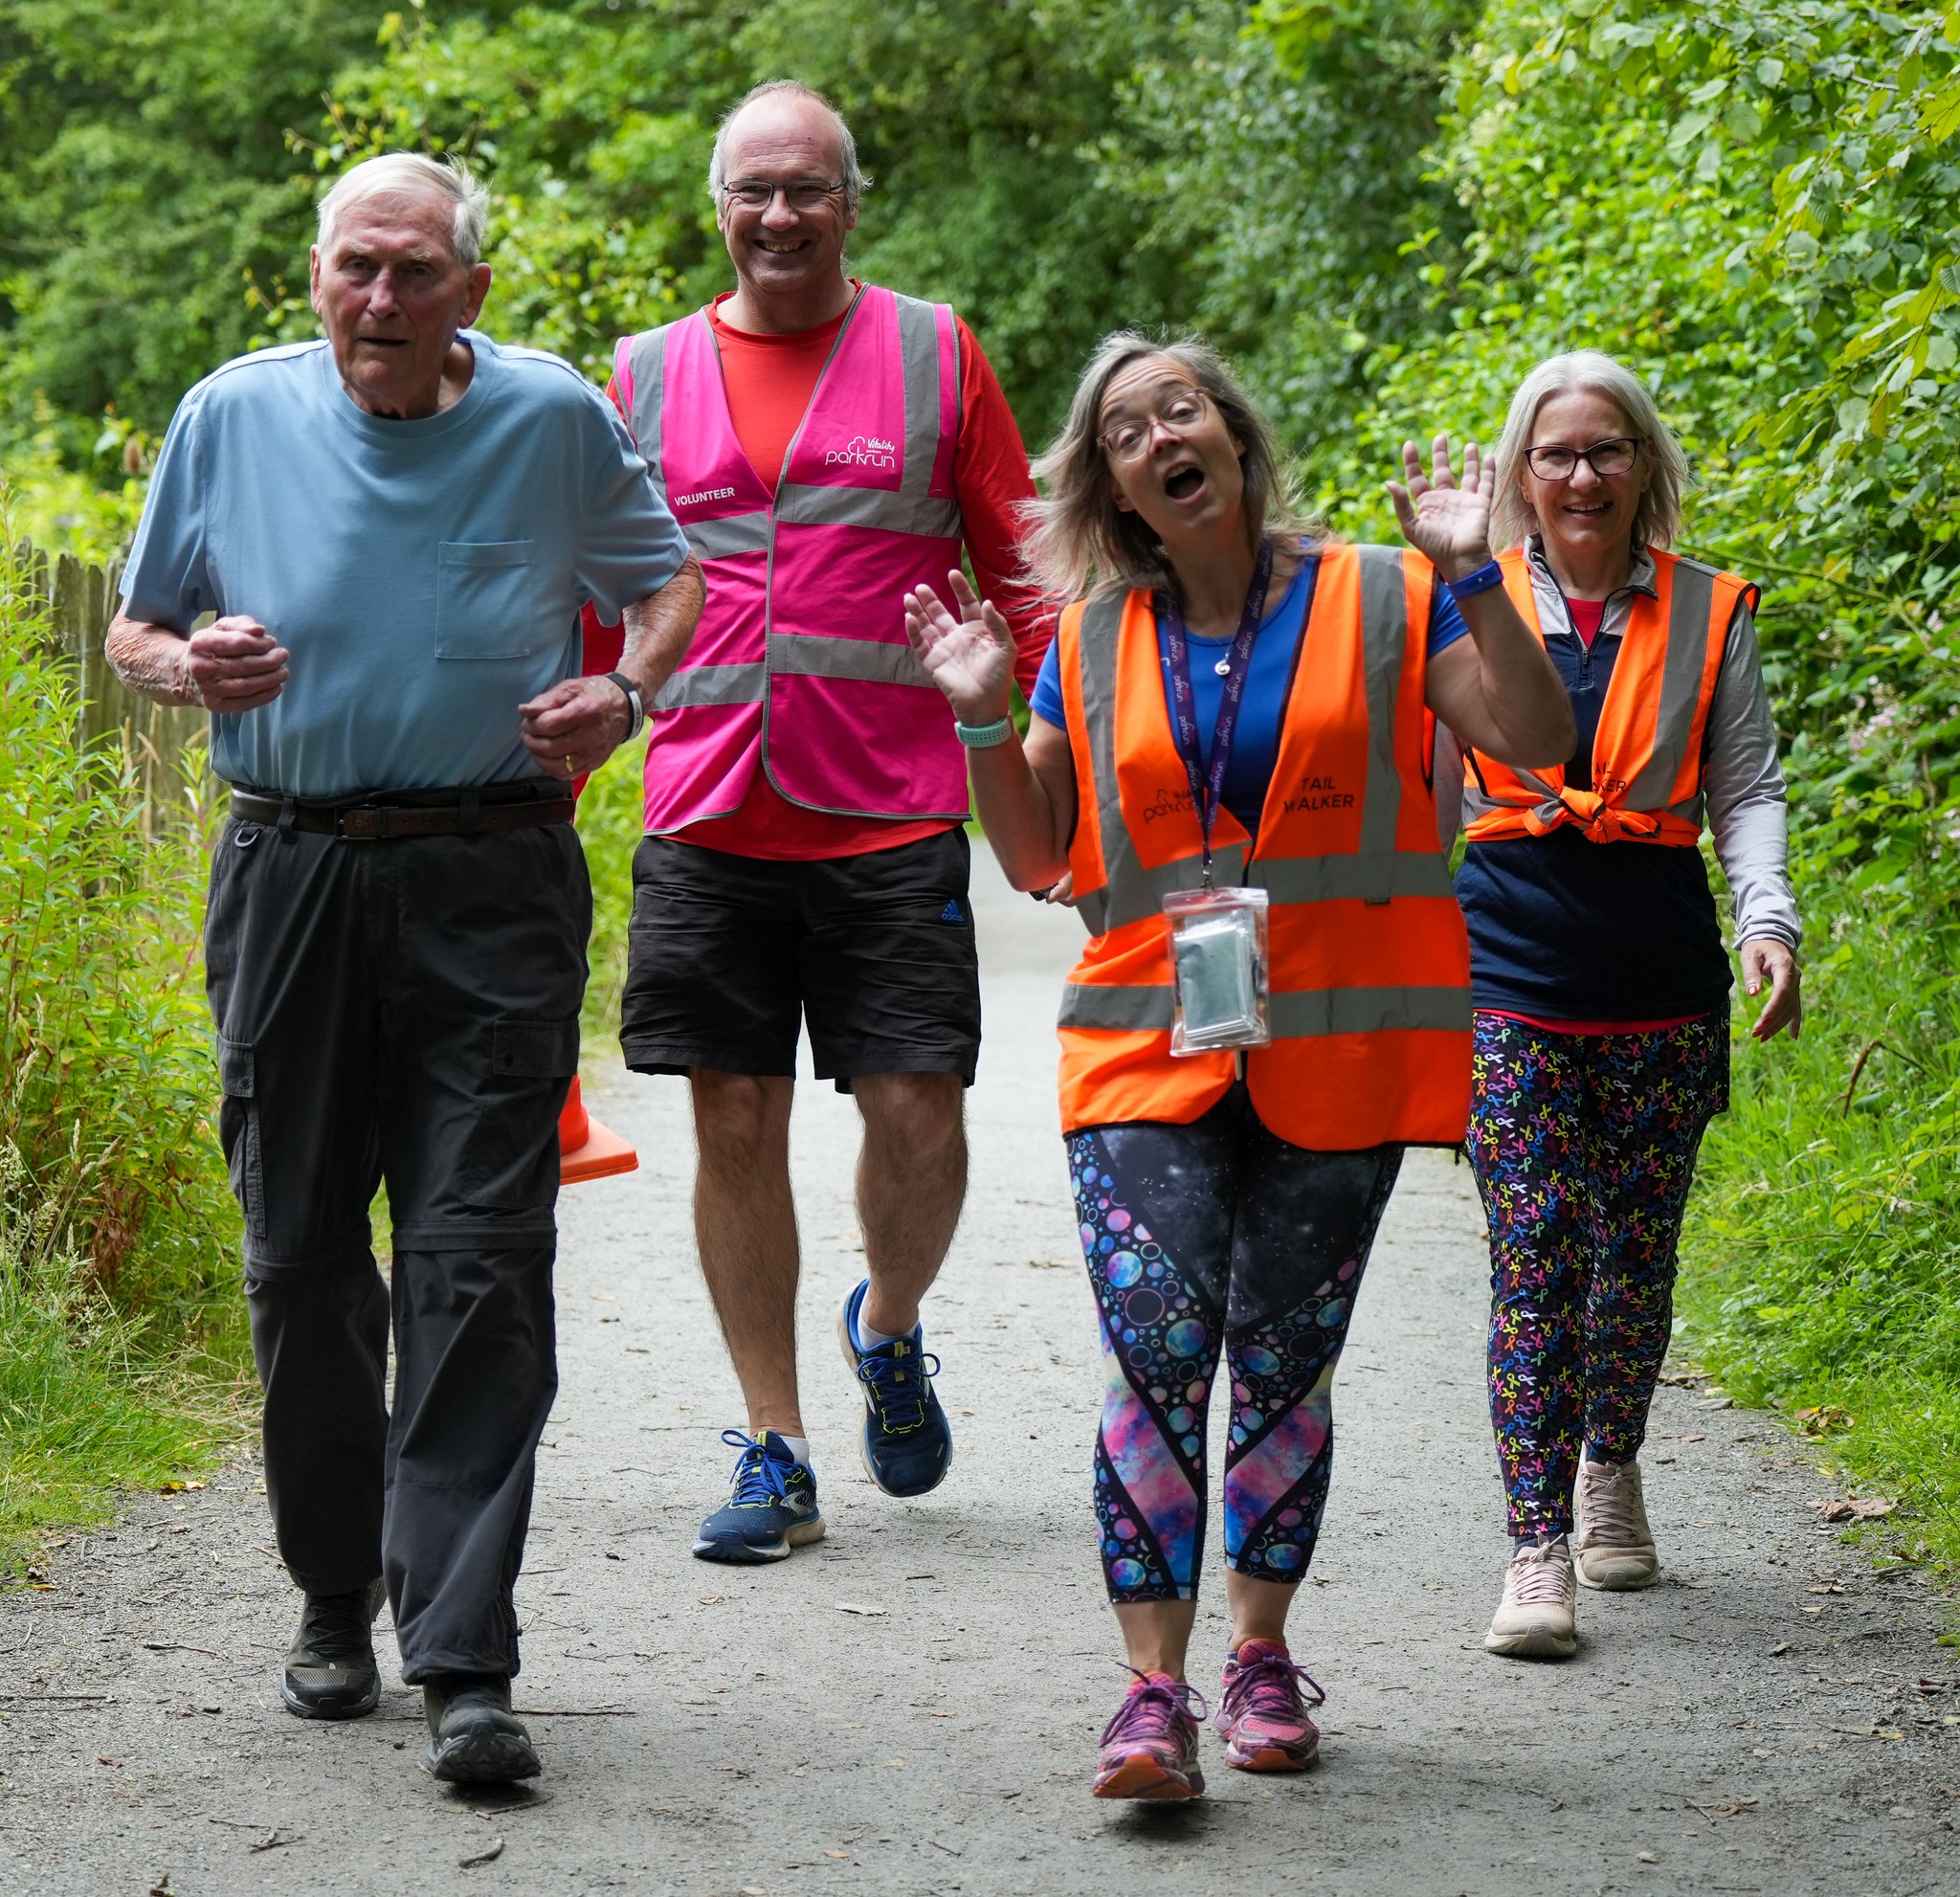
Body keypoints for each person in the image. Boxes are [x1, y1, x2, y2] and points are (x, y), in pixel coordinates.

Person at [902, 331, 1574, 1798]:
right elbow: (1030, 858)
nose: (1161, 437)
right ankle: (1152, 1694)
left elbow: (1537, 731)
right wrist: (973, 709)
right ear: (1114, 489)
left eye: (1181, 408)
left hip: (1342, 1050)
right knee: (1154, 1356)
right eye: (1128, 431)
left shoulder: (1384, 596)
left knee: (1283, 1363)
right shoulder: (1085, 640)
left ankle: (1262, 1657)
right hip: (1146, 1047)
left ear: (1236, 437)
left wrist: (1475, 570)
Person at [105, 152, 703, 1783]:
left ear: (472, 295)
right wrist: (186, 664)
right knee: (299, 1251)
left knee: (479, 1250)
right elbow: (135, 632)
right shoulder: (233, 414)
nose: (382, 300)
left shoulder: (551, 418)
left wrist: (624, 697)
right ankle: (329, 1588)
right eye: (357, 268)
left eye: (415, 273)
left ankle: (463, 1656)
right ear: (317, 277)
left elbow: (668, 591)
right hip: (289, 864)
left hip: (490, 873)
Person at [601, 80, 1051, 1564]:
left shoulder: (933, 351)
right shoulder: (645, 373)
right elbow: (597, 587)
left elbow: (1029, 569)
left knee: (920, 1116)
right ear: (716, 205)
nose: (779, 214)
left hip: (890, 804)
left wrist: (1068, 736)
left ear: (852, 203)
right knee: (731, 1120)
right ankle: (775, 1445)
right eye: (754, 189)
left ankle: (892, 1320)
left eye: (808, 188)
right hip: (709, 806)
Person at [1440, 350, 1801, 1660]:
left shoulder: (1710, 610)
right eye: (1556, 453)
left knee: (1633, 1261)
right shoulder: (1466, 603)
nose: (1581, 475)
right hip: (1507, 973)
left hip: (1659, 978)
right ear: (1520, 476)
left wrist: (1768, 922)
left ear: (1647, 465)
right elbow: (1417, 796)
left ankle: (1613, 1465)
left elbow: (1745, 789)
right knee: (1534, 1255)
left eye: (1606, 450)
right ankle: (1536, 1544)